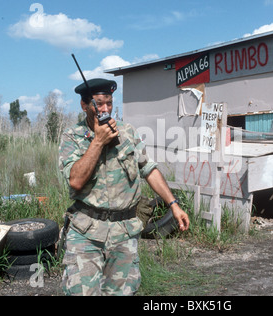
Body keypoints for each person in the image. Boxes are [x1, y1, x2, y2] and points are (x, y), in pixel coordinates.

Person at [58, 78, 190, 296]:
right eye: (98, 103)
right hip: (86, 232)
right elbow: (76, 180)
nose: (105, 109)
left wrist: (173, 204)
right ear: (84, 106)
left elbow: (148, 169)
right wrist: (98, 141)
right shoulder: (72, 137)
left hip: (124, 231)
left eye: (109, 103)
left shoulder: (127, 132)